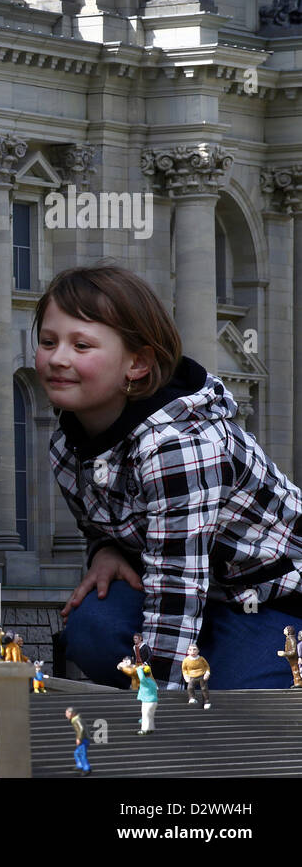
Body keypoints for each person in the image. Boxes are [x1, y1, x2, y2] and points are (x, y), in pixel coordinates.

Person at [43, 265, 302, 690]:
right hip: (201, 592)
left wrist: (157, 708)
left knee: (236, 699)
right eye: (48, 342)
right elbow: (104, 524)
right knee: (92, 625)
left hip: (274, 600)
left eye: (82, 345)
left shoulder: (175, 445)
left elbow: (175, 594)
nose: (58, 358)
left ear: (138, 363)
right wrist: (107, 551)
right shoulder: (66, 444)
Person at [182, 643, 211, 709]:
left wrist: (207, 673)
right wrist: (186, 676)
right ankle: (192, 698)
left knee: (204, 689)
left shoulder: (201, 659)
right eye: (190, 650)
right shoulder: (186, 660)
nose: (192, 652)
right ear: (188, 651)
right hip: (192, 676)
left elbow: (207, 666)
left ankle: (206, 701)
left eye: (194, 649)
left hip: (201, 676)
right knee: (190, 687)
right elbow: (184, 669)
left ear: (198, 651)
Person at [66, 707, 91, 776]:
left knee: (82, 754)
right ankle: (80, 766)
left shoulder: (76, 720)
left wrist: (79, 739)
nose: (66, 715)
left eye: (67, 713)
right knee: (77, 753)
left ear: (72, 713)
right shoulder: (75, 719)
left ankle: (87, 769)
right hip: (83, 739)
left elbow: (81, 729)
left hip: (83, 739)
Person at [137, 662, 159, 734]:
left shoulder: (145, 682)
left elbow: (141, 678)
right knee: (150, 716)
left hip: (147, 701)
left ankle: (144, 730)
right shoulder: (151, 681)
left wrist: (139, 668)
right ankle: (151, 728)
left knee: (145, 715)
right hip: (154, 701)